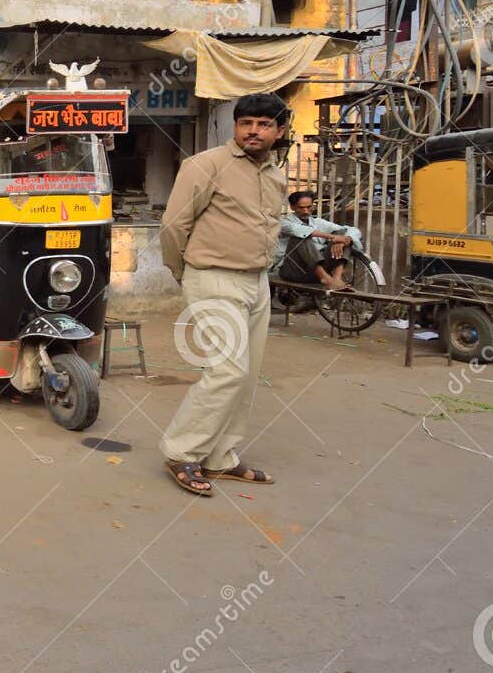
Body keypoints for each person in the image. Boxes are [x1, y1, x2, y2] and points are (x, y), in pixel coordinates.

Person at [156, 93, 288, 498]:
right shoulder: (205, 166)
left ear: (279, 131)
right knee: (227, 371)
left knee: (246, 376)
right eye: (247, 122)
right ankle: (182, 453)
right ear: (236, 125)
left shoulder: (276, 174)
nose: (254, 130)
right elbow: (173, 226)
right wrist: (185, 273)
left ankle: (221, 458)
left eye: (264, 124)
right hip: (213, 276)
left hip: (257, 281)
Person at [278, 191, 363, 292]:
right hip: (293, 271)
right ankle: (325, 278)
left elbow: (353, 230)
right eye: (301, 208)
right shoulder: (284, 222)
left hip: (316, 270)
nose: (305, 211)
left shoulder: (317, 222)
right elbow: (301, 231)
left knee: (345, 234)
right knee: (300, 237)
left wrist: (343, 240)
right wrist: (334, 237)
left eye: (309, 207)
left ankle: (336, 277)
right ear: (292, 207)